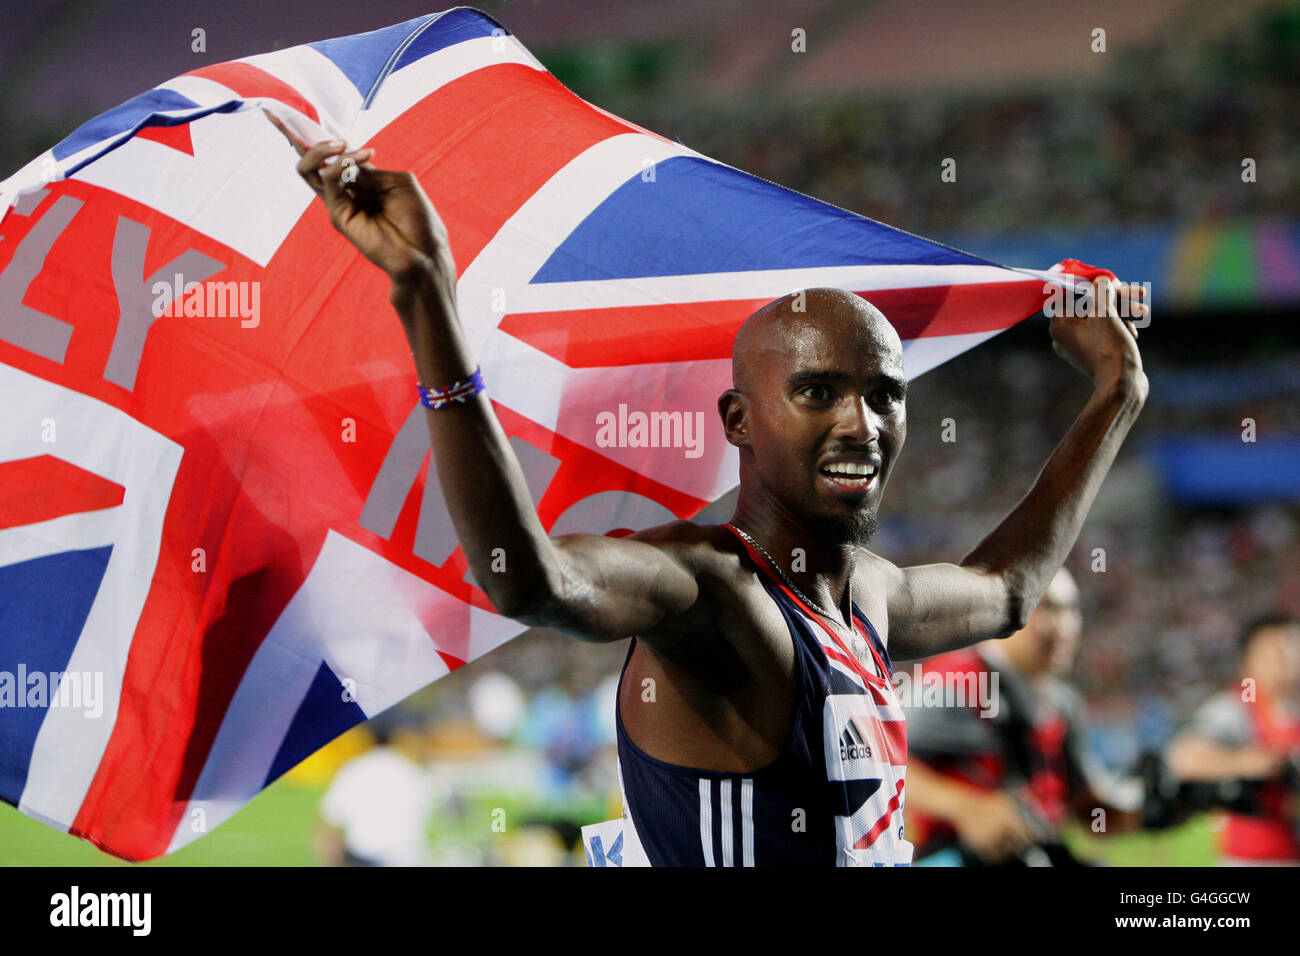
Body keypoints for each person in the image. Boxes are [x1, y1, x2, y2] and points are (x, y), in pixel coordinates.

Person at [269, 115, 1148, 866]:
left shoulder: (870, 598)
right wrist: (428, 300)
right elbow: (526, 579)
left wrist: (1116, 394)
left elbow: (1008, 590)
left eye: (885, 394)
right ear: (737, 420)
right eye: (818, 392)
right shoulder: (708, 587)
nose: (862, 423)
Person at [903, 568, 1141, 865]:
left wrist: (1148, 809)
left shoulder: (1061, 701)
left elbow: (1089, 810)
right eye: (1049, 608)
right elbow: (886, 763)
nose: (1063, 627)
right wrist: (965, 808)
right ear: (1004, 614)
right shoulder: (956, 681)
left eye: (1071, 610)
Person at [1166, 614, 1300, 865]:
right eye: (1273, 655)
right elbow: (1183, 757)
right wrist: (1252, 763)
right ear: (1248, 661)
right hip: (1249, 859)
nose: (1284, 665)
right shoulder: (1235, 709)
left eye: (1291, 653)